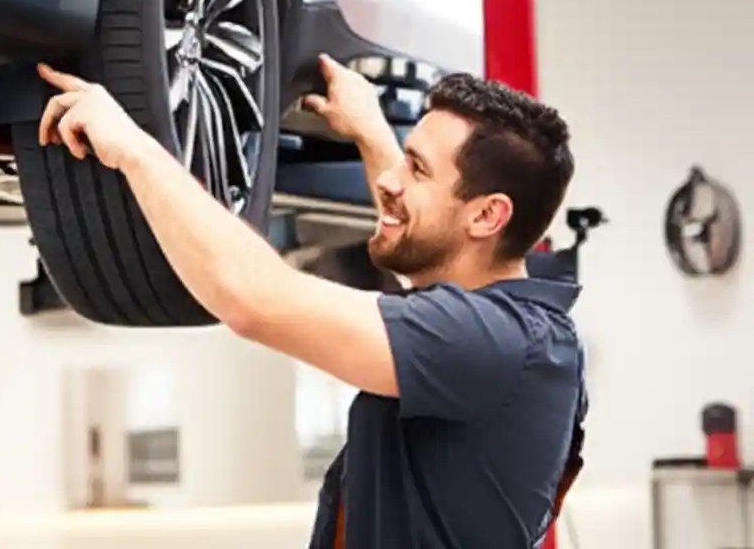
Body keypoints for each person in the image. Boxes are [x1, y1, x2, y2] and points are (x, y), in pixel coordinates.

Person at [35, 53, 586, 549]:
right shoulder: (512, 335)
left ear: (487, 215)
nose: (393, 181)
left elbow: (256, 300)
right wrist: (372, 135)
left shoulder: (496, 343)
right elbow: (426, 249)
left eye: (417, 169)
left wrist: (134, 150)